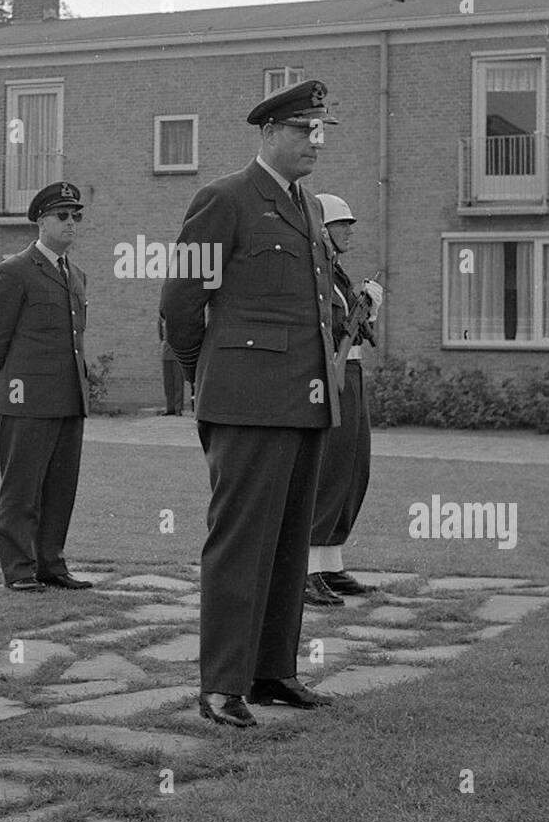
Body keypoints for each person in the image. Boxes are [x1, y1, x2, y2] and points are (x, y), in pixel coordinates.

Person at [161, 78, 341, 728]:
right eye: (302, 130)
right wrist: (211, 381)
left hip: (306, 402)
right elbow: (180, 305)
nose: (313, 142)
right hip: (245, 404)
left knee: (290, 545)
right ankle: (221, 686)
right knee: (240, 544)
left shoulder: (311, 208)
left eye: (319, 131)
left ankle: (271, 673)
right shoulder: (226, 200)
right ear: (267, 133)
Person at [0, 180, 92, 592]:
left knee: (61, 490)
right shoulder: (14, 271)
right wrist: (3, 389)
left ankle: (51, 565)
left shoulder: (75, 275)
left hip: (67, 398)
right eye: (63, 216)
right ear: (41, 222)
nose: (71, 223)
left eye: (76, 216)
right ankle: (19, 569)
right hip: (26, 400)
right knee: (22, 488)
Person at [305, 194, 382, 606]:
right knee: (330, 469)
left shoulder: (338, 273)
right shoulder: (314, 273)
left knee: (355, 467)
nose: (349, 230)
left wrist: (367, 309)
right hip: (329, 375)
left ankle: (331, 562)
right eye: (342, 224)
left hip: (351, 373)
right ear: (322, 229)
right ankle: (309, 569)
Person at [159, 313, 185, 415]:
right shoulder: (161, 318)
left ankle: (178, 408)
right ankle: (170, 408)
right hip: (166, 351)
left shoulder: (180, 316)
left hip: (177, 351)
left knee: (178, 381)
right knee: (168, 382)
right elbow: (161, 334)